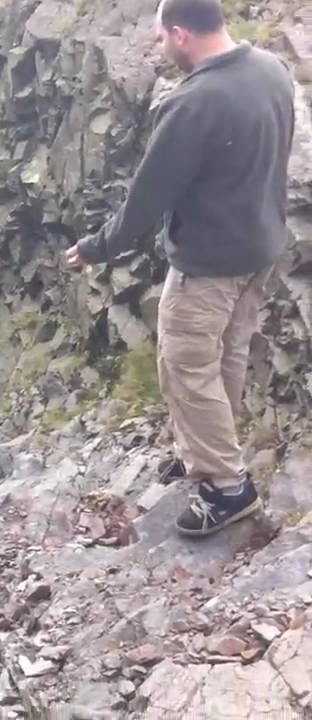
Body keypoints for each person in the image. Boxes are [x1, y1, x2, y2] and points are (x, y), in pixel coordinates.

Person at [65, 0, 295, 537]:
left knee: (188, 366)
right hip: (260, 247)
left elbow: (145, 201)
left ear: (182, 33)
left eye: (162, 38)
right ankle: (207, 451)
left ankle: (225, 487)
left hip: (209, 263)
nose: (160, 49)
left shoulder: (194, 102)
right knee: (225, 357)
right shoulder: (270, 69)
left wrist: (94, 247)